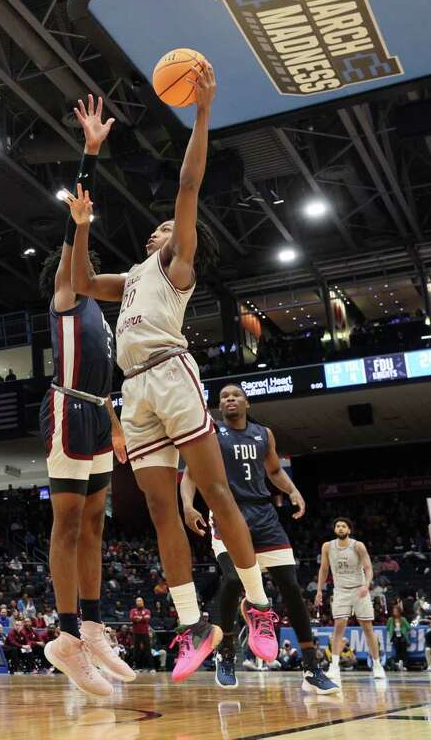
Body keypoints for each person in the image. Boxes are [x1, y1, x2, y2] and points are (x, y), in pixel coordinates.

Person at [68, 69, 277, 683]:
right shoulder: (132, 279)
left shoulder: (175, 268)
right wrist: (81, 226)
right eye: (158, 227)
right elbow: (81, 283)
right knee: (161, 510)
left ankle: (258, 608)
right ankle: (194, 624)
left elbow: (188, 183)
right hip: (133, 390)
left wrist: (204, 113)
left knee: (216, 495)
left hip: (171, 373)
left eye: (168, 226)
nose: (159, 227)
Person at [38, 94, 135, 698]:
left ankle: (94, 627)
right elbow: (76, 235)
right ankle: (66, 638)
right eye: (79, 257)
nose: (86, 261)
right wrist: (90, 154)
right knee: (68, 524)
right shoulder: (66, 295)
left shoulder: (99, 307)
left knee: (97, 524)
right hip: (66, 413)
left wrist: (119, 424)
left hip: (99, 415)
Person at [180, 384, 337, 694]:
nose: (229, 400)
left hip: (264, 516)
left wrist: (292, 491)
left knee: (291, 587)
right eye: (223, 397)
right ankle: (226, 655)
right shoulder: (211, 434)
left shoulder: (263, 434)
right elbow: (190, 475)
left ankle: (311, 666)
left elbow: (275, 470)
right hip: (227, 513)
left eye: (235, 395)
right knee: (231, 580)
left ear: (246, 402)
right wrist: (187, 505)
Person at [316, 517, 385, 682]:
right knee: (338, 627)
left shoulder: (358, 545)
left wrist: (366, 585)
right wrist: (319, 590)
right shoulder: (327, 546)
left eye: (343, 526)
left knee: (367, 628)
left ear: (349, 530)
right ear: (335, 530)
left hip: (359, 589)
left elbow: (368, 568)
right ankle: (334, 666)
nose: (340, 528)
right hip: (340, 591)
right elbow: (324, 569)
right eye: (338, 526)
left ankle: (377, 665)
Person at [128, 597, 157, 671]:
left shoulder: (147, 610)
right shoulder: (133, 610)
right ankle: (137, 667)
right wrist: (142, 618)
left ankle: (151, 668)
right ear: (136, 603)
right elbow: (131, 618)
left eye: (140, 601)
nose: (139, 602)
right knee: (136, 650)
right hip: (136, 633)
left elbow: (147, 619)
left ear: (143, 602)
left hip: (145, 633)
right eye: (137, 601)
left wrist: (139, 618)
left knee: (148, 650)